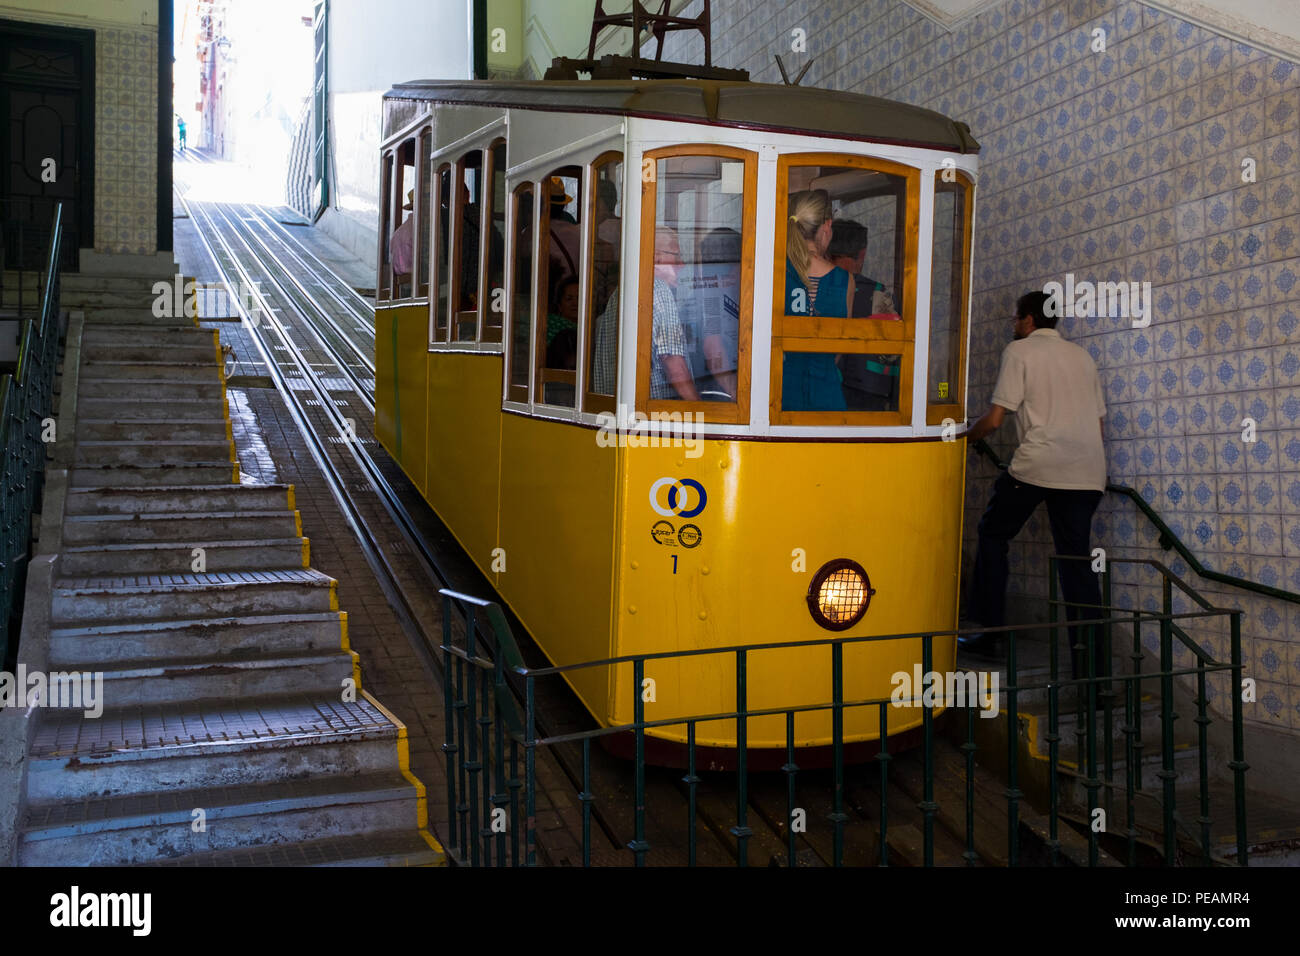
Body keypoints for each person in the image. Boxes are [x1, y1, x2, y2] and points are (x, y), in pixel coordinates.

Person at [963, 290, 1108, 677]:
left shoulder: (1020, 352)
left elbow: (995, 420)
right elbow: (1098, 424)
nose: (1013, 325)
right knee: (1076, 563)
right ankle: (1092, 665)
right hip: (1088, 471)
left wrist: (962, 438)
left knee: (993, 533)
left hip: (1039, 464)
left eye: (1015, 319)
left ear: (1028, 320)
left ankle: (989, 629)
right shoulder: (1082, 357)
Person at [590, 227, 697, 400]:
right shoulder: (658, 289)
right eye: (676, 255)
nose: (682, 264)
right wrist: (697, 409)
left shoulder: (617, 296)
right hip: (654, 418)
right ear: (656, 257)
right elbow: (673, 362)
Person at [783, 189, 852, 411]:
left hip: (779, 394)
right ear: (826, 227)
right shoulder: (844, 280)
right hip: (827, 394)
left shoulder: (774, 272)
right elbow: (840, 347)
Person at [826, 219, 900, 411]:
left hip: (822, 389)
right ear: (862, 253)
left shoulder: (814, 285)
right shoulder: (878, 293)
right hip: (869, 395)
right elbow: (891, 354)